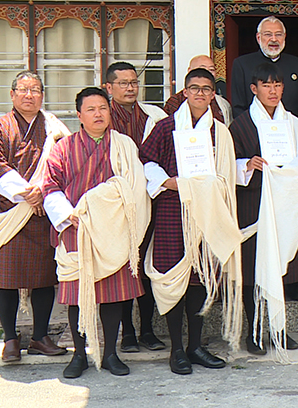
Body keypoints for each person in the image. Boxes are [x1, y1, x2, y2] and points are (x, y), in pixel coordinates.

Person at [42, 87, 151, 379]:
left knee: (114, 296)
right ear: (79, 115)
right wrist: (70, 216)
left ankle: (110, 353)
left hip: (114, 230)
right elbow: (50, 187)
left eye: (103, 108)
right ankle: (80, 354)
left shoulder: (124, 145)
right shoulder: (63, 148)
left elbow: (135, 185)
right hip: (77, 229)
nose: (98, 114)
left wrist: (109, 212)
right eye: (91, 109)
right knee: (79, 295)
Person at [140, 68, 244, 374]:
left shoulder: (220, 131)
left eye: (206, 89)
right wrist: (166, 182)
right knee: (175, 276)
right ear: (184, 92)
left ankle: (195, 346)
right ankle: (176, 350)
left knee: (200, 278)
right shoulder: (166, 127)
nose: (200, 94)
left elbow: (225, 171)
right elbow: (145, 160)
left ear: (213, 95)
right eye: (194, 88)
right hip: (174, 208)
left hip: (208, 212)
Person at [229, 63, 298, 357]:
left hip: (283, 205)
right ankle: (253, 333)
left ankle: (278, 328)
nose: (273, 91)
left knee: (278, 269)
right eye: (266, 85)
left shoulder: (291, 122)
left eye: (277, 85)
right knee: (254, 269)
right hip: (252, 205)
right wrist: (247, 165)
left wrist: (291, 170)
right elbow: (229, 164)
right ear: (254, 89)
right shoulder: (240, 124)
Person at [0, 71, 70, 363]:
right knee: (6, 280)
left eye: (35, 90)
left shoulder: (53, 127)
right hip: (11, 211)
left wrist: (42, 193)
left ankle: (40, 336)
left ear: (42, 95)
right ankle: (10, 339)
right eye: (23, 90)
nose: (29, 95)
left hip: (43, 210)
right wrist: (26, 194)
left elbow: (64, 160)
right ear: (12, 94)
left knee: (44, 279)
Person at [103, 61, 168, 354]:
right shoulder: (103, 118)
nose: (130, 88)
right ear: (109, 87)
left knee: (145, 264)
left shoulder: (153, 116)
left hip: (149, 201)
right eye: (123, 83)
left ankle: (147, 330)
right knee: (123, 267)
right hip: (117, 204)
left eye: (134, 83)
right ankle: (126, 332)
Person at [230, 17, 298, 123]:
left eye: (278, 34)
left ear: (284, 37)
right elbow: (238, 106)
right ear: (258, 38)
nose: (274, 39)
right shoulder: (242, 64)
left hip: (290, 128)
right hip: (254, 129)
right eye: (268, 34)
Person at [163, 55, 232, 124]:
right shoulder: (175, 101)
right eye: (202, 69)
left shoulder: (222, 104)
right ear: (189, 71)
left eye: (211, 70)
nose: (207, 73)